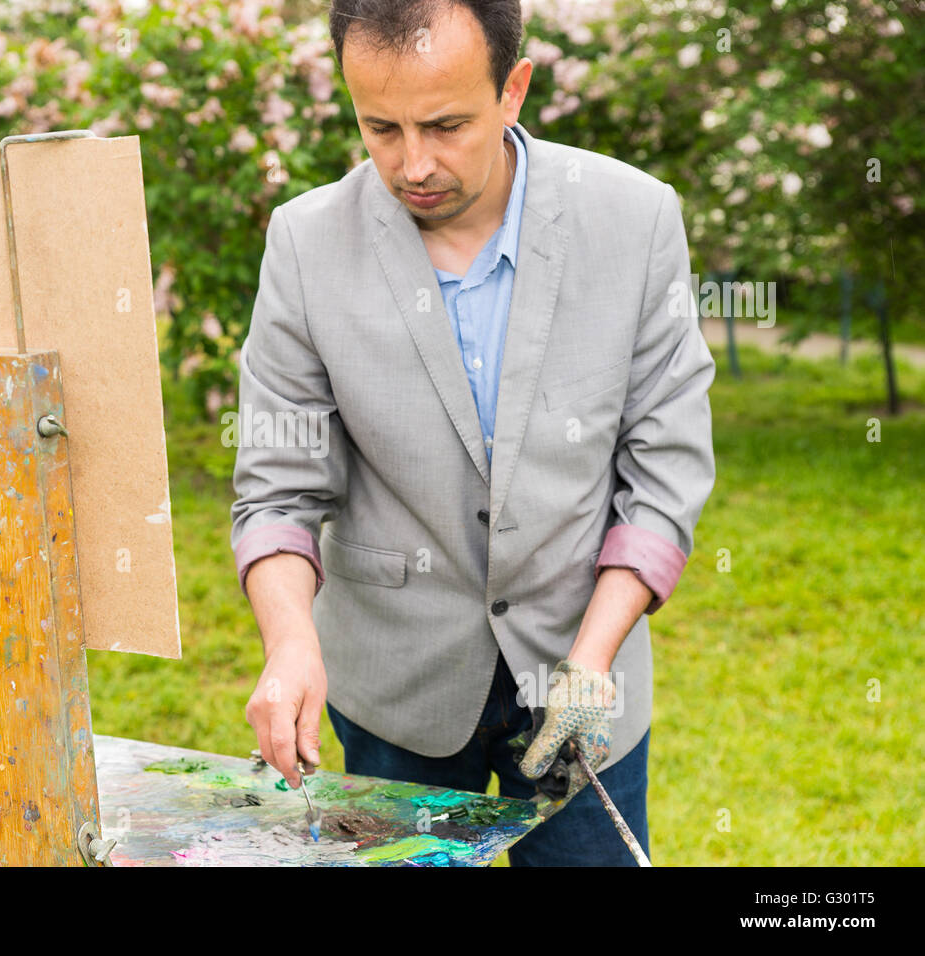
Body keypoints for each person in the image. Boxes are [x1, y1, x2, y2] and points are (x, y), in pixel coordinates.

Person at [230, 0, 716, 866]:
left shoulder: (636, 221)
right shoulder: (304, 243)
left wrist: (594, 655)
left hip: (584, 665)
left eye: (447, 125)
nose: (413, 164)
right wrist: (291, 645)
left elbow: (665, 470)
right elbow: (278, 486)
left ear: (513, 89)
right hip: (394, 686)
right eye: (381, 127)